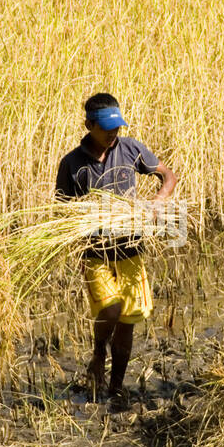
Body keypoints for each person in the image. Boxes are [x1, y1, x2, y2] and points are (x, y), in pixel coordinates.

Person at [55, 93, 177, 408]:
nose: (114, 134)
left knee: (127, 320)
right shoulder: (72, 164)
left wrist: (158, 201)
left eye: (117, 127)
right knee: (110, 309)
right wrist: (77, 250)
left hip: (131, 251)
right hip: (96, 253)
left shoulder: (130, 149)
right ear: (89, 125)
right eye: (107, 128)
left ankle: (116, 387)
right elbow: (64, 213)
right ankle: (98, 354)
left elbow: (168, 175)